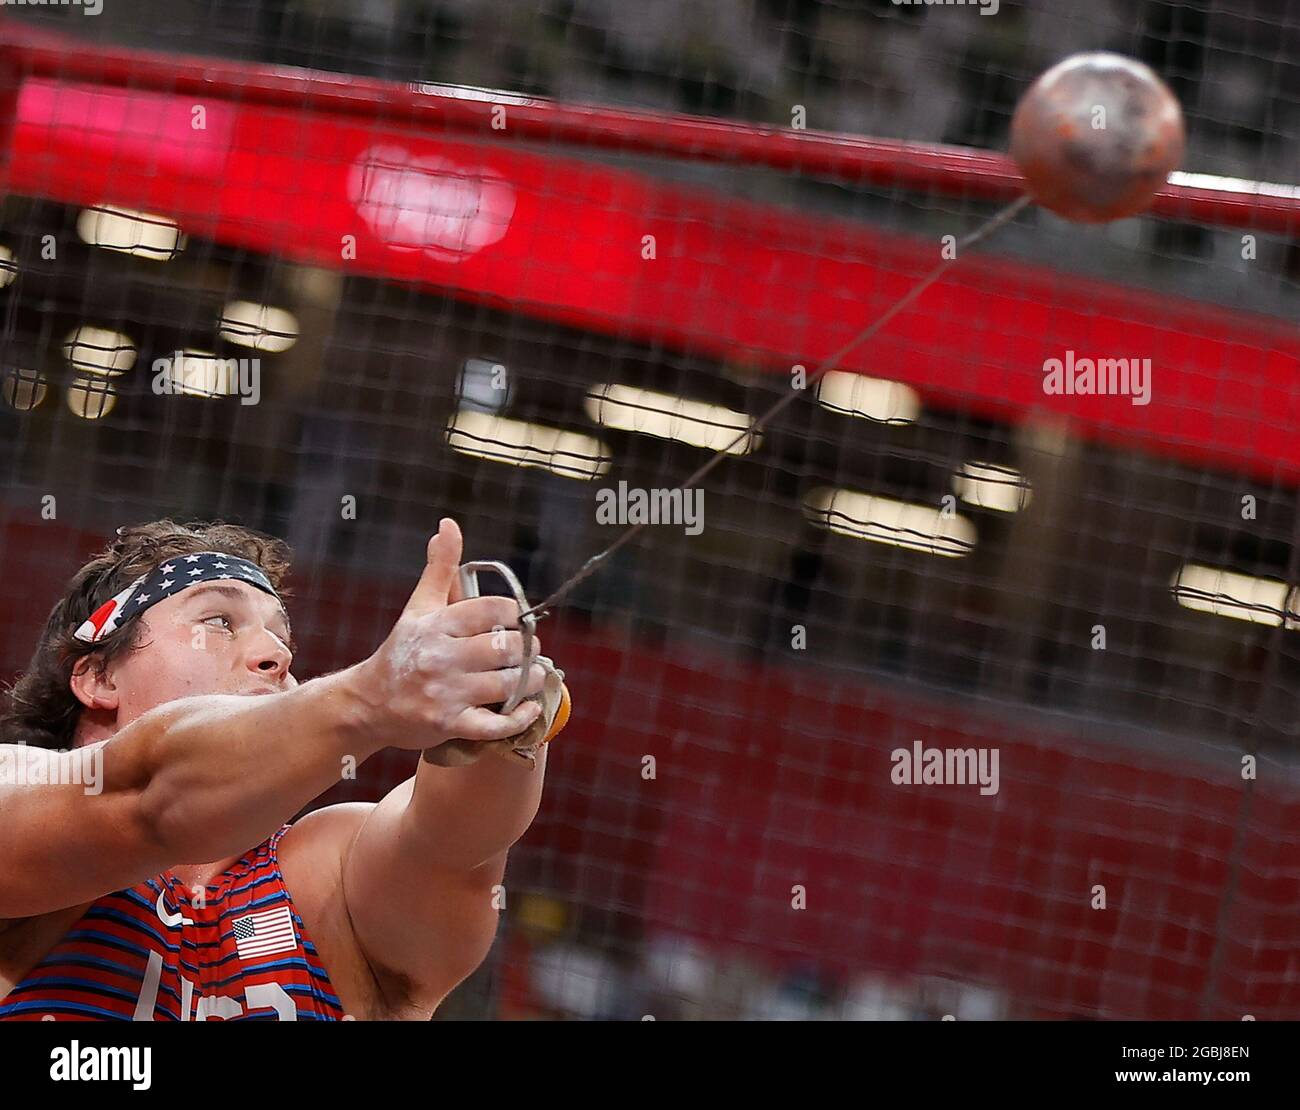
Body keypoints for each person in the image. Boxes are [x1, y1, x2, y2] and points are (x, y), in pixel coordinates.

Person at [0, 516, 567, 1020]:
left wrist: (498, 715)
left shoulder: (328, 872)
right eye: (219, 621)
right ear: (98, 677)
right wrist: (368, 697)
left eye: (281, 636)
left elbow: (458, 844)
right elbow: (154, 794)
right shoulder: (20, 800)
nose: (277, 654)